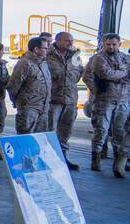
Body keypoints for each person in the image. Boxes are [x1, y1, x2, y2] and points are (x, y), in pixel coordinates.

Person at [86, 32, 129, 177]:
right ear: (103, 44)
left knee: (120, 131)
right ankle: (96, 158)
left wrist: (118, 75)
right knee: (101, 130)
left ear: (119, 44)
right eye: (108, 44)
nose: (111, 47)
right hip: (104, 100)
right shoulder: (99, 58)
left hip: (123, 99)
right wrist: (122, 74)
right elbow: (105, 73)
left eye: (114, 44)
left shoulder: (125, 58)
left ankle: (118, 163)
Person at [45, 31, 83, 171]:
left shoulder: (75, 55)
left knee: (66, 130)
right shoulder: (47, 54)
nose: (70, 43)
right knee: (50, 130)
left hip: (70, 98)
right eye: (67, 41)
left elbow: (79, 73)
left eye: (71, 40)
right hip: (53, 98)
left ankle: (62, 157)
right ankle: (48, 158)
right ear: (58, 41)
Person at [7, 36, 52, 136]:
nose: (47, 50)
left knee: (40, 138)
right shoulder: (25, 63)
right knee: (26, 138)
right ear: (36, 49)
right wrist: (18, 102)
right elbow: (13, 85)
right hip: (28, 107)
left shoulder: (43, 63)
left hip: (43, 107)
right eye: (45, 48)